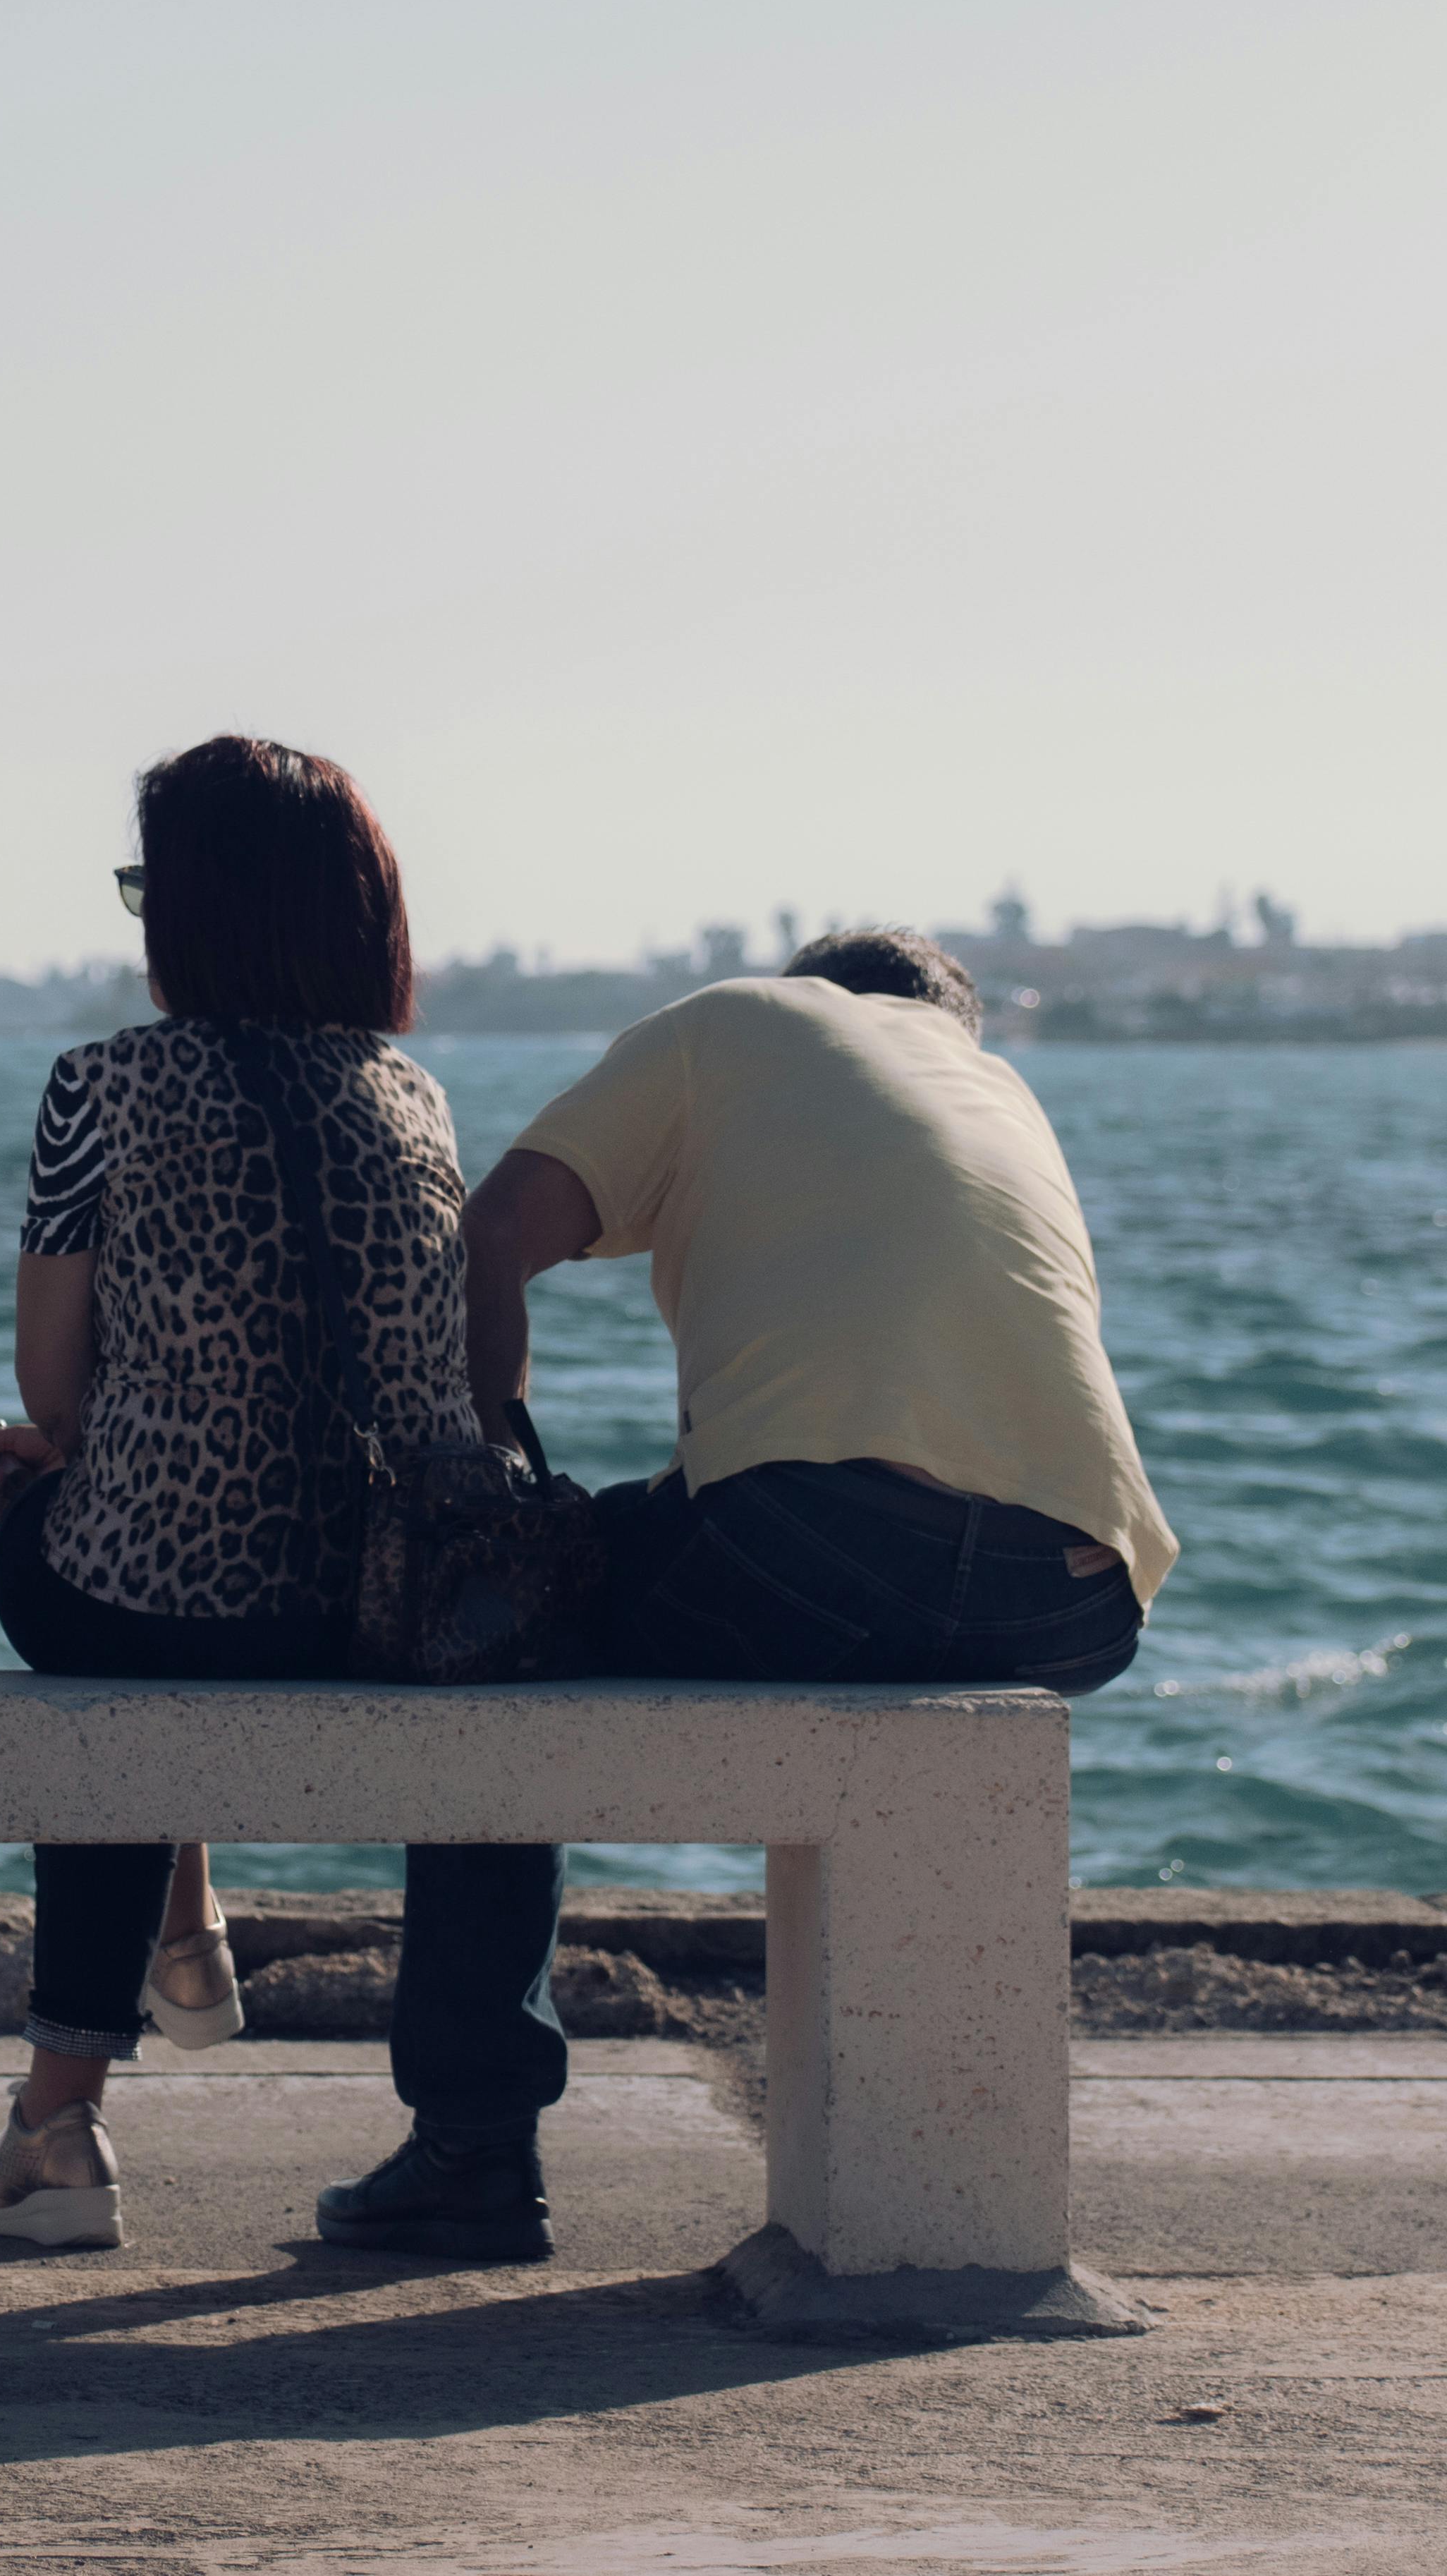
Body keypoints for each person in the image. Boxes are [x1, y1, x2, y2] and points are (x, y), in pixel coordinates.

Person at [312, 925, 1177, 2261]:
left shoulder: (737, 1022)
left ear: (810, 991)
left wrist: (492, 1492)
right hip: (1079, 1593)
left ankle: (470, 2148)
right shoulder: (997, 1091)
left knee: (491, 1639)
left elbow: (488, 1234)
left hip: (818, 1539)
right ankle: (931, 2165)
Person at [0, 735, 502, 2249]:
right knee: (142, 1590)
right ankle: (178, 1923)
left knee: (74, 1572)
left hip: (157, 1603)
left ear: (190, 911)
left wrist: (58, 1454)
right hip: (389, 1603)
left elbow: (55, 1393)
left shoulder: (99, 1085)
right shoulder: (416, 1097)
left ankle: (62, 2119)